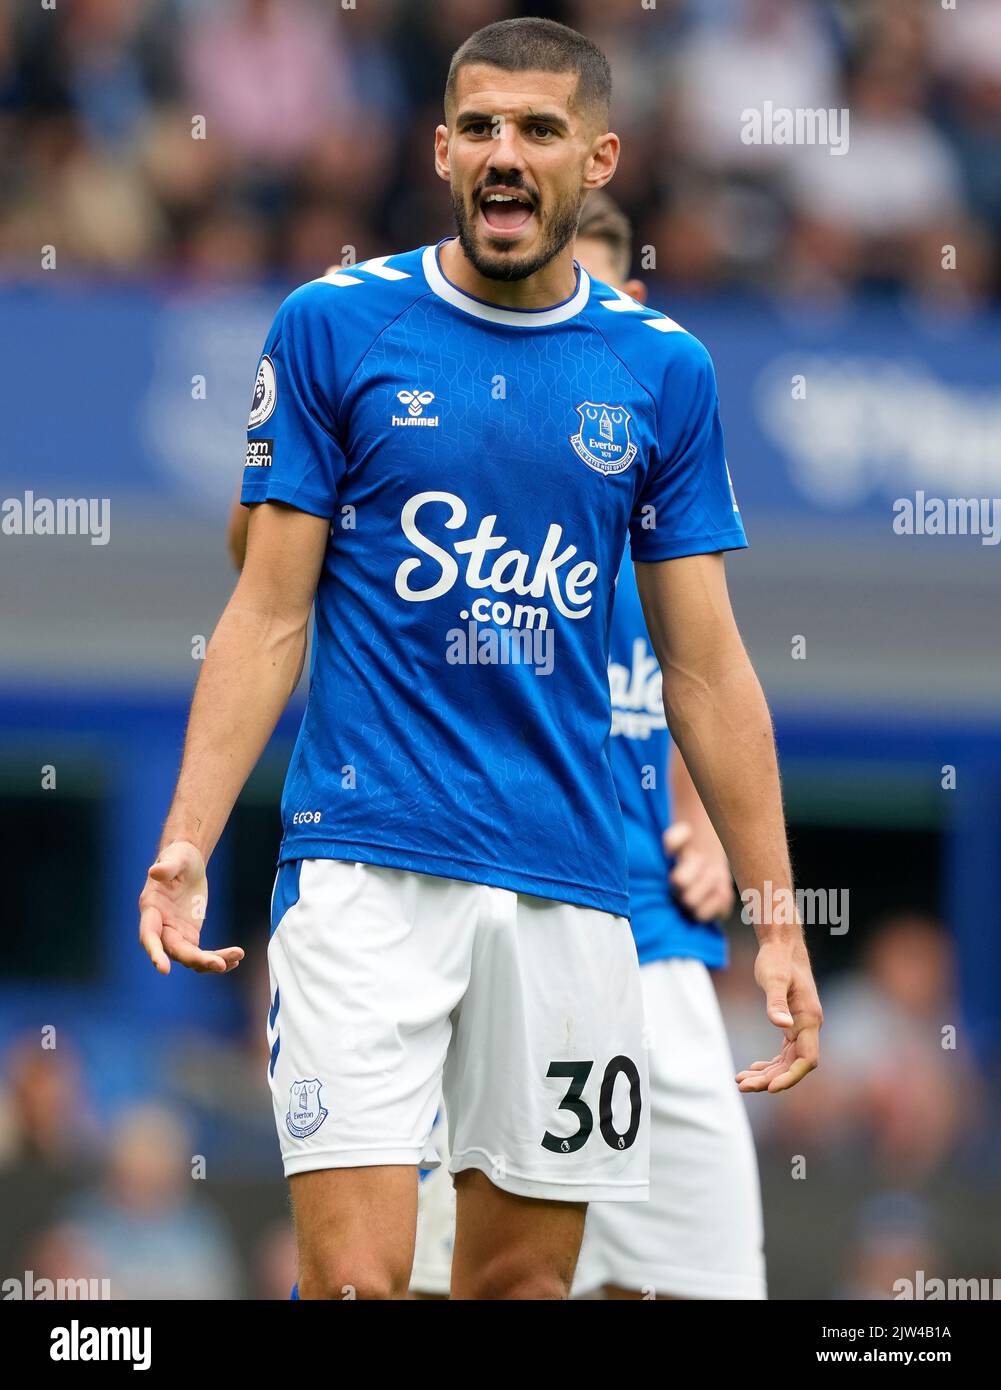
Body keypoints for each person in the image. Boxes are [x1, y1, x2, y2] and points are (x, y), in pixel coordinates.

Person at [139, 17, 821, 1301]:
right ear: (440, 146)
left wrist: (778, 917)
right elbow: (266, 613)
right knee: (354, 1283)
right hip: (362, 874)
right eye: (483, 128)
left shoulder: (661, 371)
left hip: (572, 896)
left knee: (521, 1289)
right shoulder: (331, 326)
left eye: (541, 130)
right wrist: (187, 834)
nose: (507, 156)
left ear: (600, 155)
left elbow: (709, 669)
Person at [409, 192, 766, 1301]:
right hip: (478, 926)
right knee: (444, 1276)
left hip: (649, 942)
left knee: (684, 1279)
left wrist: (706, 824)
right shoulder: (452, 485)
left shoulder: (660, 479)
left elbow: (702, 683)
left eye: (592, 296)